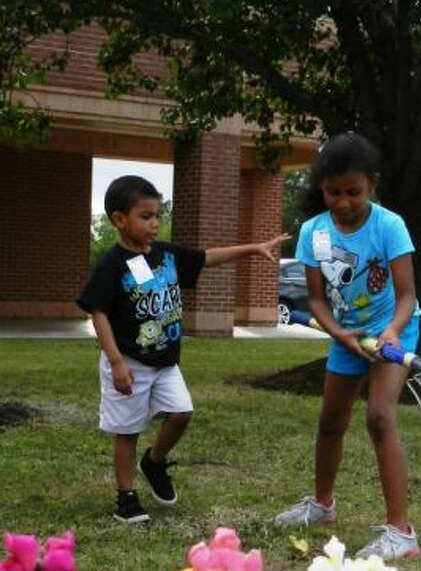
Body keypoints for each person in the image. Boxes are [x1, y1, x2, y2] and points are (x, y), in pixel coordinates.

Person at [77, 175, 289, 523]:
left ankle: (155, 462)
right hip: (130, 362)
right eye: (145, 216)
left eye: (157, 215)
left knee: (182, 413)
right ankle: (126, 497)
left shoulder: (166, 255)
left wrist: (252, 248)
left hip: (166, 362)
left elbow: (207, 257)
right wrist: (116, 361)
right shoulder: (111, 264)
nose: (155, 223)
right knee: (127, 431)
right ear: (119, 219)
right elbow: (97, 311)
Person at [273, 132, 421, 561]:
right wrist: (340, 335)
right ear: (321, 188)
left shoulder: (389, 225)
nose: (342, 202)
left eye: (353, 192)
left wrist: (392, 331)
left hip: (394, 329)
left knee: (378, 418)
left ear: (371, 185)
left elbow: (407, 293)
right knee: (329, 423)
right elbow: (317, 300)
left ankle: (401, 533)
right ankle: (322, 505)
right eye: (333, 192)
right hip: (347, 334)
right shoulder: (313, 232)